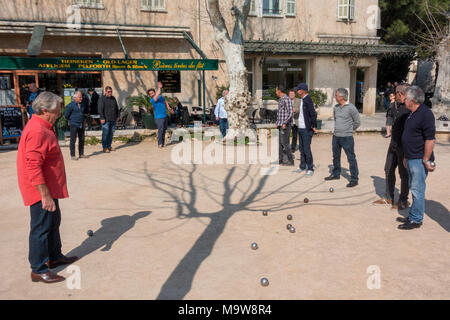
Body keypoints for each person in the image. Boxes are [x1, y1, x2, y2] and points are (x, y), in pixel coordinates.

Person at [16, 91, 79, 284]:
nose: (59, 114)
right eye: (57, 111)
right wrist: (44, 195)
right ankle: (38, 268)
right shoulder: (37, 130)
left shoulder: (44, 125)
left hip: (49, 187)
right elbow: (32, 166)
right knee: (41, 228)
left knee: (53, 222)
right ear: (45, 110)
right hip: (40, 190)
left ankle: (54, 255)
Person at [397, 86, 436, 230]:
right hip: (411, 158)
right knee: (413, 188)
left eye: (405, 98)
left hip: (419, 159)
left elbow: (430, 139)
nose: (404, 100)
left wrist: (426, 159)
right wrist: (406, 157)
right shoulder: (412, 113)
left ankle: (416, 220)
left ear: (412, 100)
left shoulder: (425, 114)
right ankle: (414, 214)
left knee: (417, 190)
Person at [373, 84, 411, 209]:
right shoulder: (395, 105)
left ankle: (403, 200)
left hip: (403, 145)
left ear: (400, 94)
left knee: (403, 173)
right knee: (388, 169)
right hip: (393, 143)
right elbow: (390, 117)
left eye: (396, 93)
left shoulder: (410, 107)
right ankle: (388, 197)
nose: (395, 95)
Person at [324, 88, 360, 187]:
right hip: (336, 136)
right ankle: (336, 174)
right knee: (335, 157)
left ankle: (354, 178)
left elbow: (357, 122)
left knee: (351, 158)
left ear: (342, 97)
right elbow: (336, 119)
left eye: (336, 95)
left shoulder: (351, 108)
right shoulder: (336, 107)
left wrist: (349, 129)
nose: (335, 97)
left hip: (347, 137)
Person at [292, 83, 317, 176]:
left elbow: (313, 114)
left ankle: (310, 168)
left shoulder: (308, 100)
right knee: (302, 149)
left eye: (298, 89)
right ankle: (302, 166)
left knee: (307, 149)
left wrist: (314, 126)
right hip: (300, 127)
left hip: (307, 129)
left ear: (303, 90)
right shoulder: (302, 100)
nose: (297, 91)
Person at [148, 82, 174, 148]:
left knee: (164, 130)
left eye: (152, 93)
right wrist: (159, 88)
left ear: (154, 92)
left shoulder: (160, 97)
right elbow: (156, 96)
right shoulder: (152, 100)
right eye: (150, 94)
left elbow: (165, 101)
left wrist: (168, 108)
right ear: (149, 95)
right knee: (161, 130)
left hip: (164, 116)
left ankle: (162, 143)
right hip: (159, 118)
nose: (151, 94)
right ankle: (160, 144)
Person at [65, 91, 87, 160]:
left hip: (81, 124)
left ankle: (81, 154)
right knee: (73, 140)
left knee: (82, 139)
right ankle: (73, 155)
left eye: (81, 97)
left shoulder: (83, 104)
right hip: (74, 124)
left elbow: (85, 113)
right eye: (80, 97)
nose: (81, 99)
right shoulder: (70, 105)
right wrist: (72, 120)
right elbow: (66, 115)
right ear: (75, 98)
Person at [275, 85, 294, 166]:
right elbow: (280, 113)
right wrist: (277, 123)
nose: (275, 92)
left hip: (285, 125)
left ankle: (291, 161)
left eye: (276, 90)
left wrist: (284, 123)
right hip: (280, 124)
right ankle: (280, 160)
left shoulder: (287, 99)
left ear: (279, 91)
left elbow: (290, 113)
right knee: (279, 143)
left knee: (285, 143)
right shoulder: (280, 99)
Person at [98, 86, 120, 153]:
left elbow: (117, 108)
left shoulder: (113, 98)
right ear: (105, 92)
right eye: (108, 91)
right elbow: (100, 109)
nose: (110, 93)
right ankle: (105, 147)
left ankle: (109, 146)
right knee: (105, 134)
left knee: (111, 133)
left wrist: (118, 116)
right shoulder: (102, 99)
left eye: (111, 91)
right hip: (105, 120)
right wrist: (102, 118)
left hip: (113, 119)